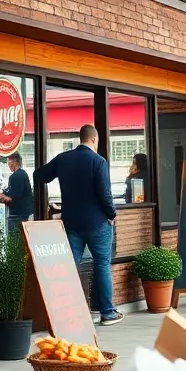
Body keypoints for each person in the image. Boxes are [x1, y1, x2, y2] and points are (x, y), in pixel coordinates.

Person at [33, 125, 122, 326]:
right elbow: (105, 194)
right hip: (97, 222)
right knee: (102, 265)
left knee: (69, 266)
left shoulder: (63, 159)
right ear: (94, 139)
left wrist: (42, 205)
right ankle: (107, 312)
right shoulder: (98, 162)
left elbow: (40, 175)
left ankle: (63, 311)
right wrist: (112, 214)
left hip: (71, 222)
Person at [0, 152, 33, 235]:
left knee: (15, 241)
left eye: (8, 161)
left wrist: (1, 196)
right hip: (22, 213)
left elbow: (11, 198)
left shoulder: (17, 176)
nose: (8, 164)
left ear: (14, 161)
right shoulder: (22, 174)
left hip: (17, 215)